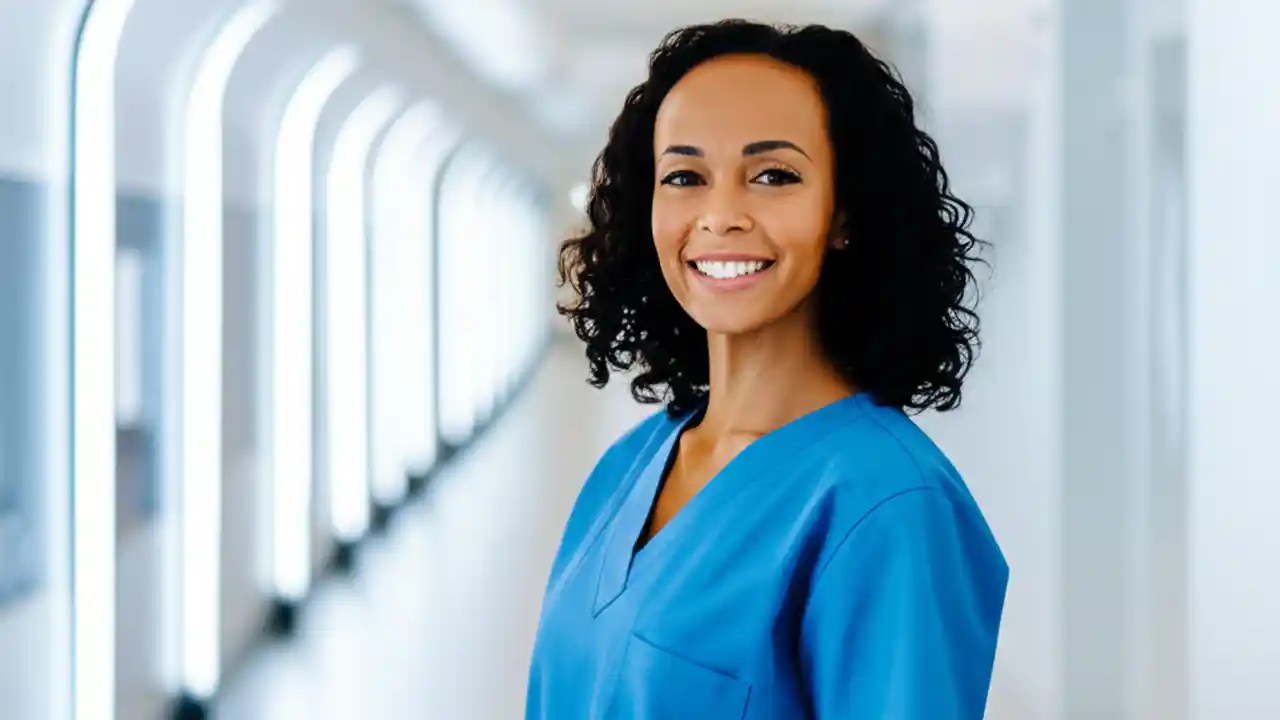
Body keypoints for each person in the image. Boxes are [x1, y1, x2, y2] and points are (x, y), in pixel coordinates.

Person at [526, 19, 1007, 719]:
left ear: (844, 213)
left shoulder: (891, 507)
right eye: (685, 176)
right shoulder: (629, 467)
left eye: (773, 176)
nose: (721, 215)